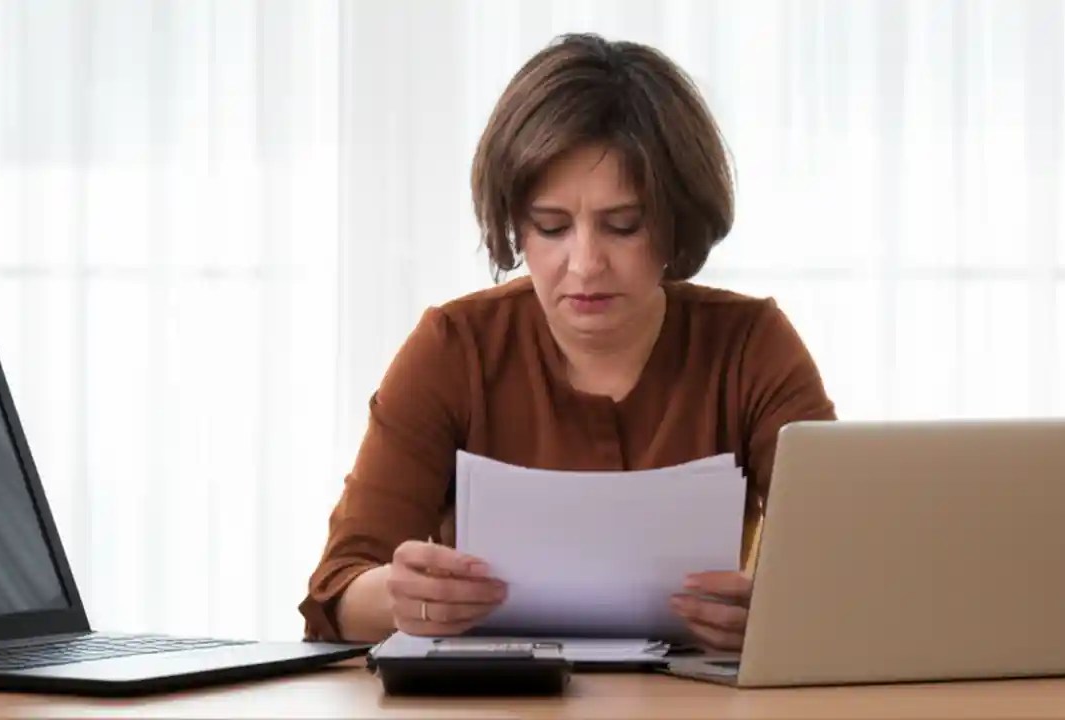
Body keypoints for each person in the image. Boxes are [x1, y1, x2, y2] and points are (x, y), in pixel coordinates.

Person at [300, 33, 835, 652]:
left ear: (675, 221)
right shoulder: (454, 347)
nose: (585, 264)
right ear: (514, 223)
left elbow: (842, 570)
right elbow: (336, 593)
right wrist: (403, 597)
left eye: (623, 226)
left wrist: (777, 613)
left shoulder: (751, 345)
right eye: (550, 227)